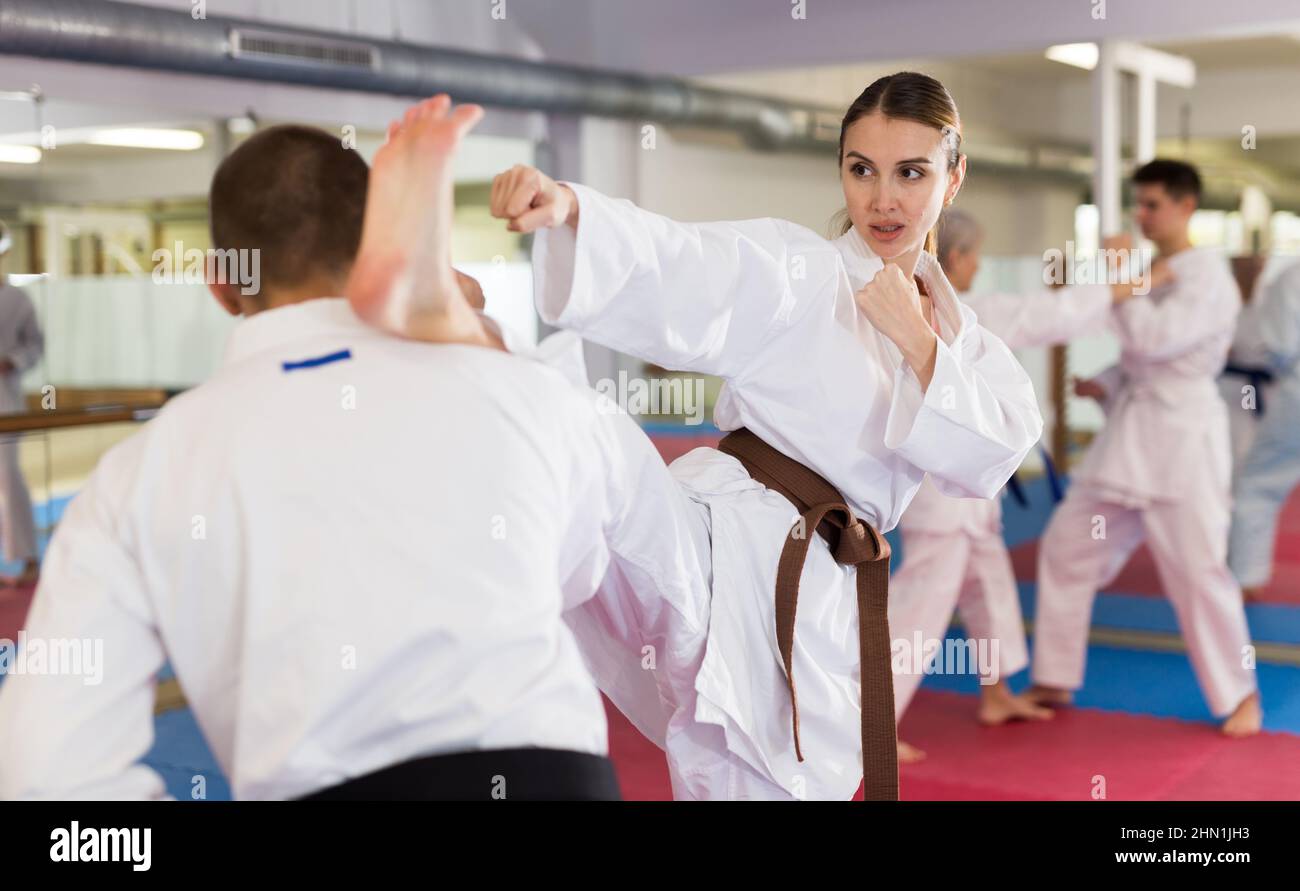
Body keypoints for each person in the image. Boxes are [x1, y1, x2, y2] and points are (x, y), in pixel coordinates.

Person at [350, 73, 1044, 800]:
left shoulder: (966, 341)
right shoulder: (804, 270)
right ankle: (461, 328)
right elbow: (689, 262)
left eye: (911, 172)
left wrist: (921, 347)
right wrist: (573, 213)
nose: (882, 199)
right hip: (716, 530)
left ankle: (472, 345)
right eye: (860, 169)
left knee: (759, 778)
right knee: (595, 445)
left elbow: (990, 458)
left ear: (953, 176)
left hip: (807, 598)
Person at [0, 108, 667, 800]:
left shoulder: (146, 469)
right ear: (381, 251)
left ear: (220, 284)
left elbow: (47, 778)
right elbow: (586, 568)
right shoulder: (523, 393)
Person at [888, 209, 1161, 761]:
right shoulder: (956, 311)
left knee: (990, 589)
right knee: (919, 607)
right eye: (975, 254)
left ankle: (997, 694)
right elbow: (1046, 316)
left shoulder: (943, 310)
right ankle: (872, 724)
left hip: (967, 492)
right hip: (940, 495)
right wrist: (1113, 286)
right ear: (956, 258)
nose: (979, 264)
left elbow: (1045, 315)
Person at [1026, 159, 1261, 737]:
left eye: (1153, 204)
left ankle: (1240, 695)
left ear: (1186, 207)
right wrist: (1104, 382)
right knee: (1065, 547)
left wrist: (1113, 273)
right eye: (1139, 204)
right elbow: (1140, 358)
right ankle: (1055, 674)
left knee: (1197, 571)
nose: (1142, 215)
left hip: (1184, 445)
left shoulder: (1208, 277)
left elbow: (1157, 342)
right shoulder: (1156, 269)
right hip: (1130, 441)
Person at [1227, 258, 1300, 597]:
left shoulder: (1291, 277)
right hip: (1244, 392)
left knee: (1257, 484)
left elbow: (1281, 346)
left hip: (1290, 391)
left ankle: (1244, 579)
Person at [0, 220, 43, 587]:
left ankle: (28, 557)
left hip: (5, 399)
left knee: (9, 478)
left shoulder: (17, 299)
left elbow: (35, 346)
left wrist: (11, 359)